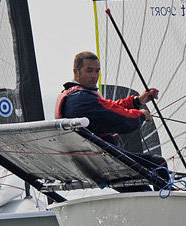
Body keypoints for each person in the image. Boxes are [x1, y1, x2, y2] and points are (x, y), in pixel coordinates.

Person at [55, 51, 167, 189]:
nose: (94, 76)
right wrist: (141, 115)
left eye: (97, 71)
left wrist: (136, 101)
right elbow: (121, 120)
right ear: (76, 71)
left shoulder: (71, 95)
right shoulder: (82, 98)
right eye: (89, 71)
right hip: (106, 163)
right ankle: (168, 206)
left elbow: (108, 107)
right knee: (158, 163)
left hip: (91, 164)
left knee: (143, 185)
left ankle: (154, 204)